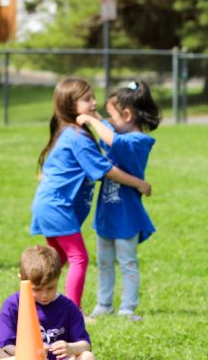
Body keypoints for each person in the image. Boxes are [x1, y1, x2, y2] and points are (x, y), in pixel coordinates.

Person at [31, 78, 152, 308]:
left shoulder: (72, 132)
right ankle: (74, 312)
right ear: (70, 105)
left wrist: (94, 118)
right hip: (58, 207)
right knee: (79, 258)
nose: (94, 102)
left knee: (55, 263)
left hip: (49, 205)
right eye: (87, 99)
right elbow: (105, 170)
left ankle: (33, 302)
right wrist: (139, 183)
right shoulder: (77, 136)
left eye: (93, 97)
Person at [76, 81, 160, 321]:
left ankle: (127, 306)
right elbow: (108, 136)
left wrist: (91, 120)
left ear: (127, 114)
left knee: (127, 262)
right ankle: (104, 303)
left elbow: (115, 141)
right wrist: (96, 116)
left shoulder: (137, 141)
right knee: (103, 262)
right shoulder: (117, 134)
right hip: (106, 214)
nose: (108, 122)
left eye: (111, 117)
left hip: (126, 216)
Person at [0, 245, 97, 360]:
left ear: (59, 275)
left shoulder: (68, 307)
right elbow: (6, 346)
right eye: (36, 289)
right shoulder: (13, 304)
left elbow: (85, 345)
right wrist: (32, 352)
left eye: (50, 288)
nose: (44, 295)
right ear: (22, 279)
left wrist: (70, 348)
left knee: (88, 359)